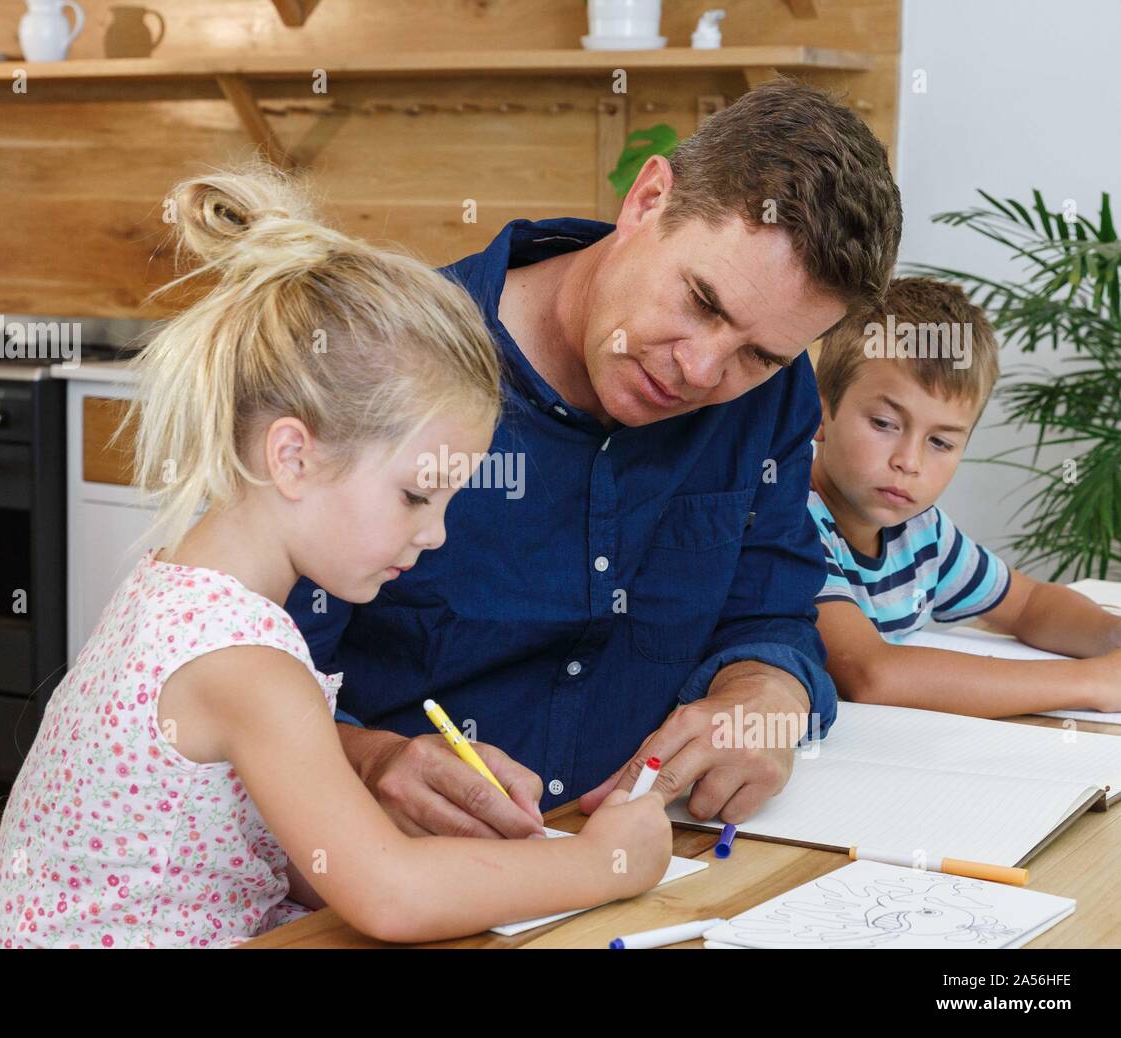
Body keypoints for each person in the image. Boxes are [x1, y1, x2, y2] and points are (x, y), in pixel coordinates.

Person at [0, 162, 671, 948]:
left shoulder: (174, 593)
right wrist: (609, 862)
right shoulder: (245, 664)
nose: (436, 533)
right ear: (293, 458)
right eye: (417, 495)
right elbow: (392, 897)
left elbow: (299, 862)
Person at [287, 78, 904, 835]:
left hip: (654, 870)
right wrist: (371, 759)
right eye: (704, 303)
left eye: (761, 355)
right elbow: (245, 679)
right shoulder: (374, 367)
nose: (703, 372)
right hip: (380, 879)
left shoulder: (771, 401)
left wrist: (769, 699)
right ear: (647, 200)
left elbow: (771, 610)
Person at [810, 276, 1121, 716]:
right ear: (818, 415)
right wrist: (1096, 683)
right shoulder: (791, 522)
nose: (909, 461)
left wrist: (1112, 636)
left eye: (940, 442)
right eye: (883, 423)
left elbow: (1029, 605)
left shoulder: (921, 533)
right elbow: (870, 673)